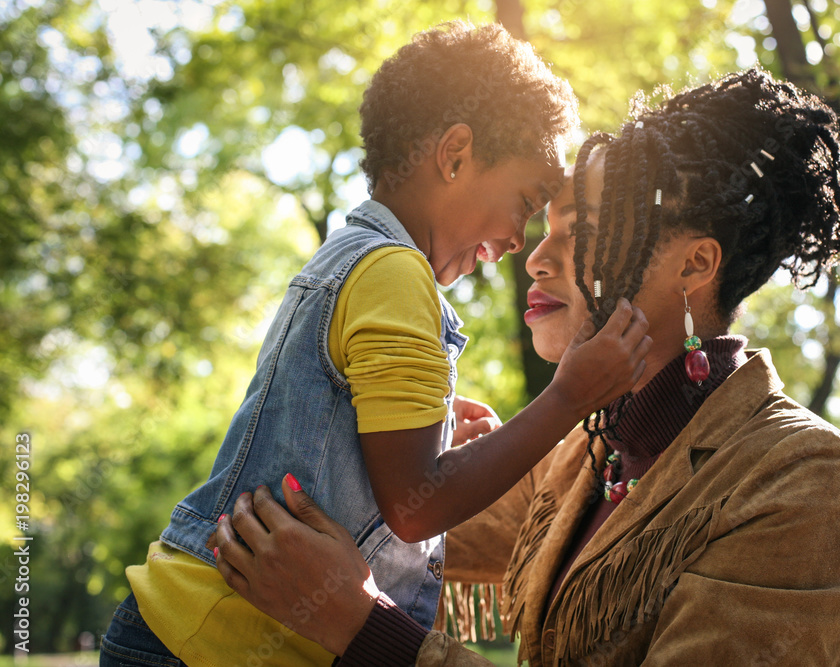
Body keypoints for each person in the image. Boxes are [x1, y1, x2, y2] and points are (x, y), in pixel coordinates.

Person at [213, 67, 840, 666]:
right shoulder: (585, 450)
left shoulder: (802, 476)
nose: (536, 258)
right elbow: (413, 515)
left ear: (694, 264)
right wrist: (389, 425)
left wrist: (365, 628)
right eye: (543, 227)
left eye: (582, 233)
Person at [99, 22, 651, 666]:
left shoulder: (353, 256)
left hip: (183, 626)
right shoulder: (395, 274)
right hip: (211, 644)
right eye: (524, 202)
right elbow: (421, 505)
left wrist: (435, 415)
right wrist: (568, 397)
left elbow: (327, 418)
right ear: (455, 154)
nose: (516, 240)